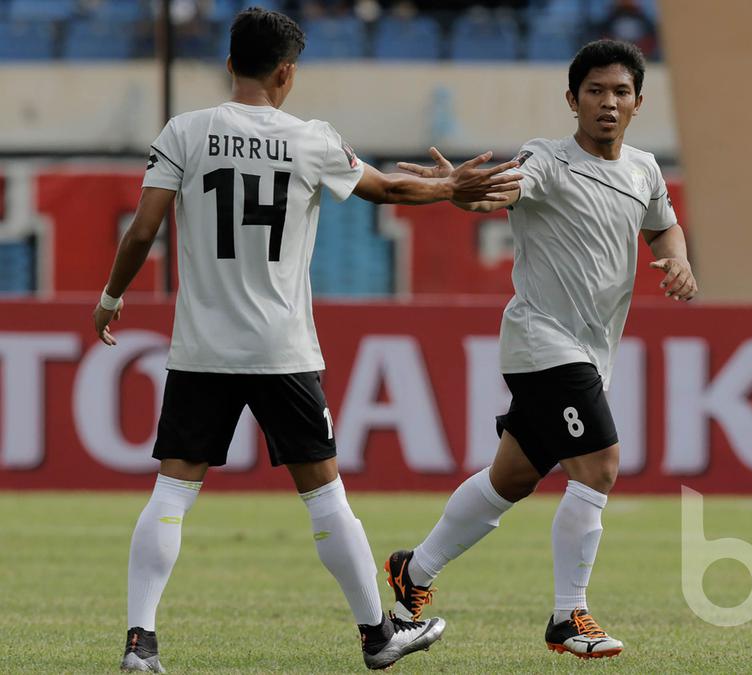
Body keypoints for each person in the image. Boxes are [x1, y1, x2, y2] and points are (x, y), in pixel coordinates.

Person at [92, 8, 520, 672]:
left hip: (202, 348)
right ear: (287, 72)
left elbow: (144, 229)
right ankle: (377, 634)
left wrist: (112, 296)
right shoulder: (310, 139)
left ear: (229, 63)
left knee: (171, 492)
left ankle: (141, 641)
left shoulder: (185, 131)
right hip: (282, 350)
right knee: (325, 497)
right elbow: (385, 190)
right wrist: (449, 188)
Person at [379, 39, 696, 660]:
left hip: (589, 351)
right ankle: (567, 617)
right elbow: (495, 194)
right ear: (572, 100)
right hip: (543, 342)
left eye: (621, 92)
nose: (608, 103)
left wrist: (677, 260)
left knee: (511, 479)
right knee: (600, 464)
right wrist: (456, 188)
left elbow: (662, 224)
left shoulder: (644, 170)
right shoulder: (547, 161)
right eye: (595, 92)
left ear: (638, 102)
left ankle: (413, 571)